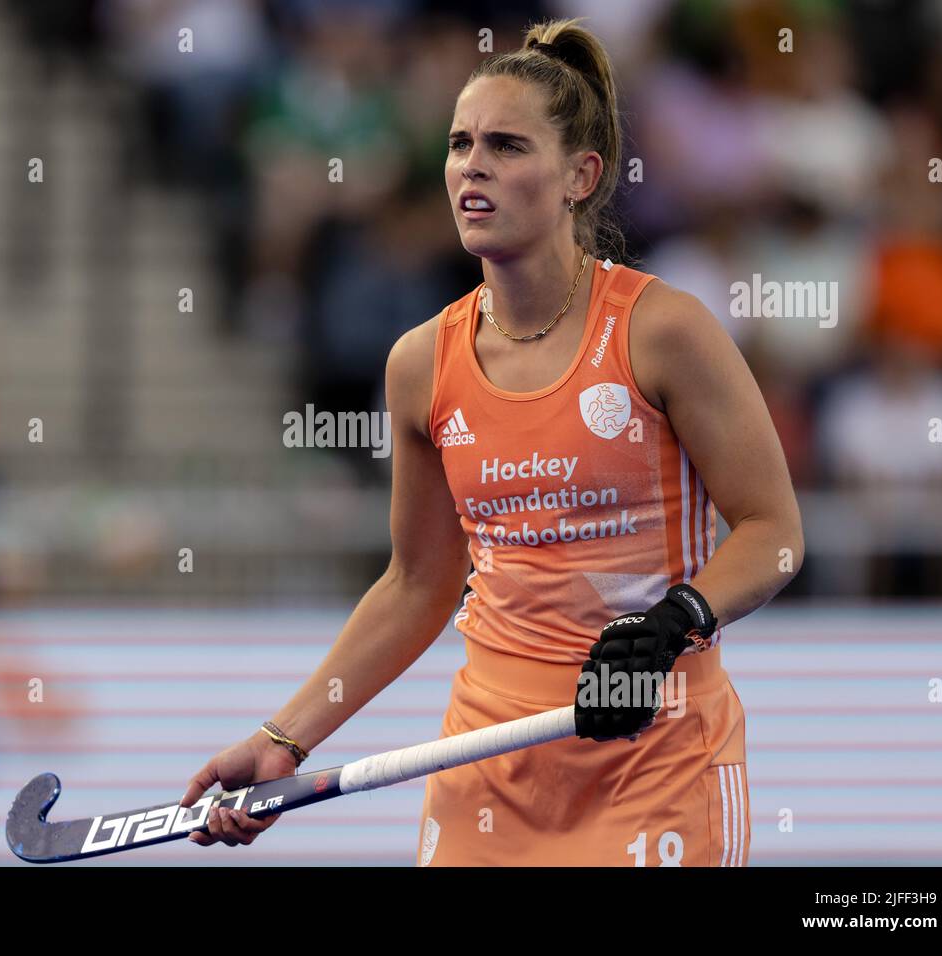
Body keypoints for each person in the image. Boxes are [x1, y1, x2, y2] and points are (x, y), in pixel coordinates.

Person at [180, 17, 803, 865]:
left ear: (580, 175)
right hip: (486, 770)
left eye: (507, 145)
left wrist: (674, 621)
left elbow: (774, 536)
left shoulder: (663, 331)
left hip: (656, 760)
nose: (472, 164)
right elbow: (416, 584)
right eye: (460, 143)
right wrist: (284, 738)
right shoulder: (420, 364)